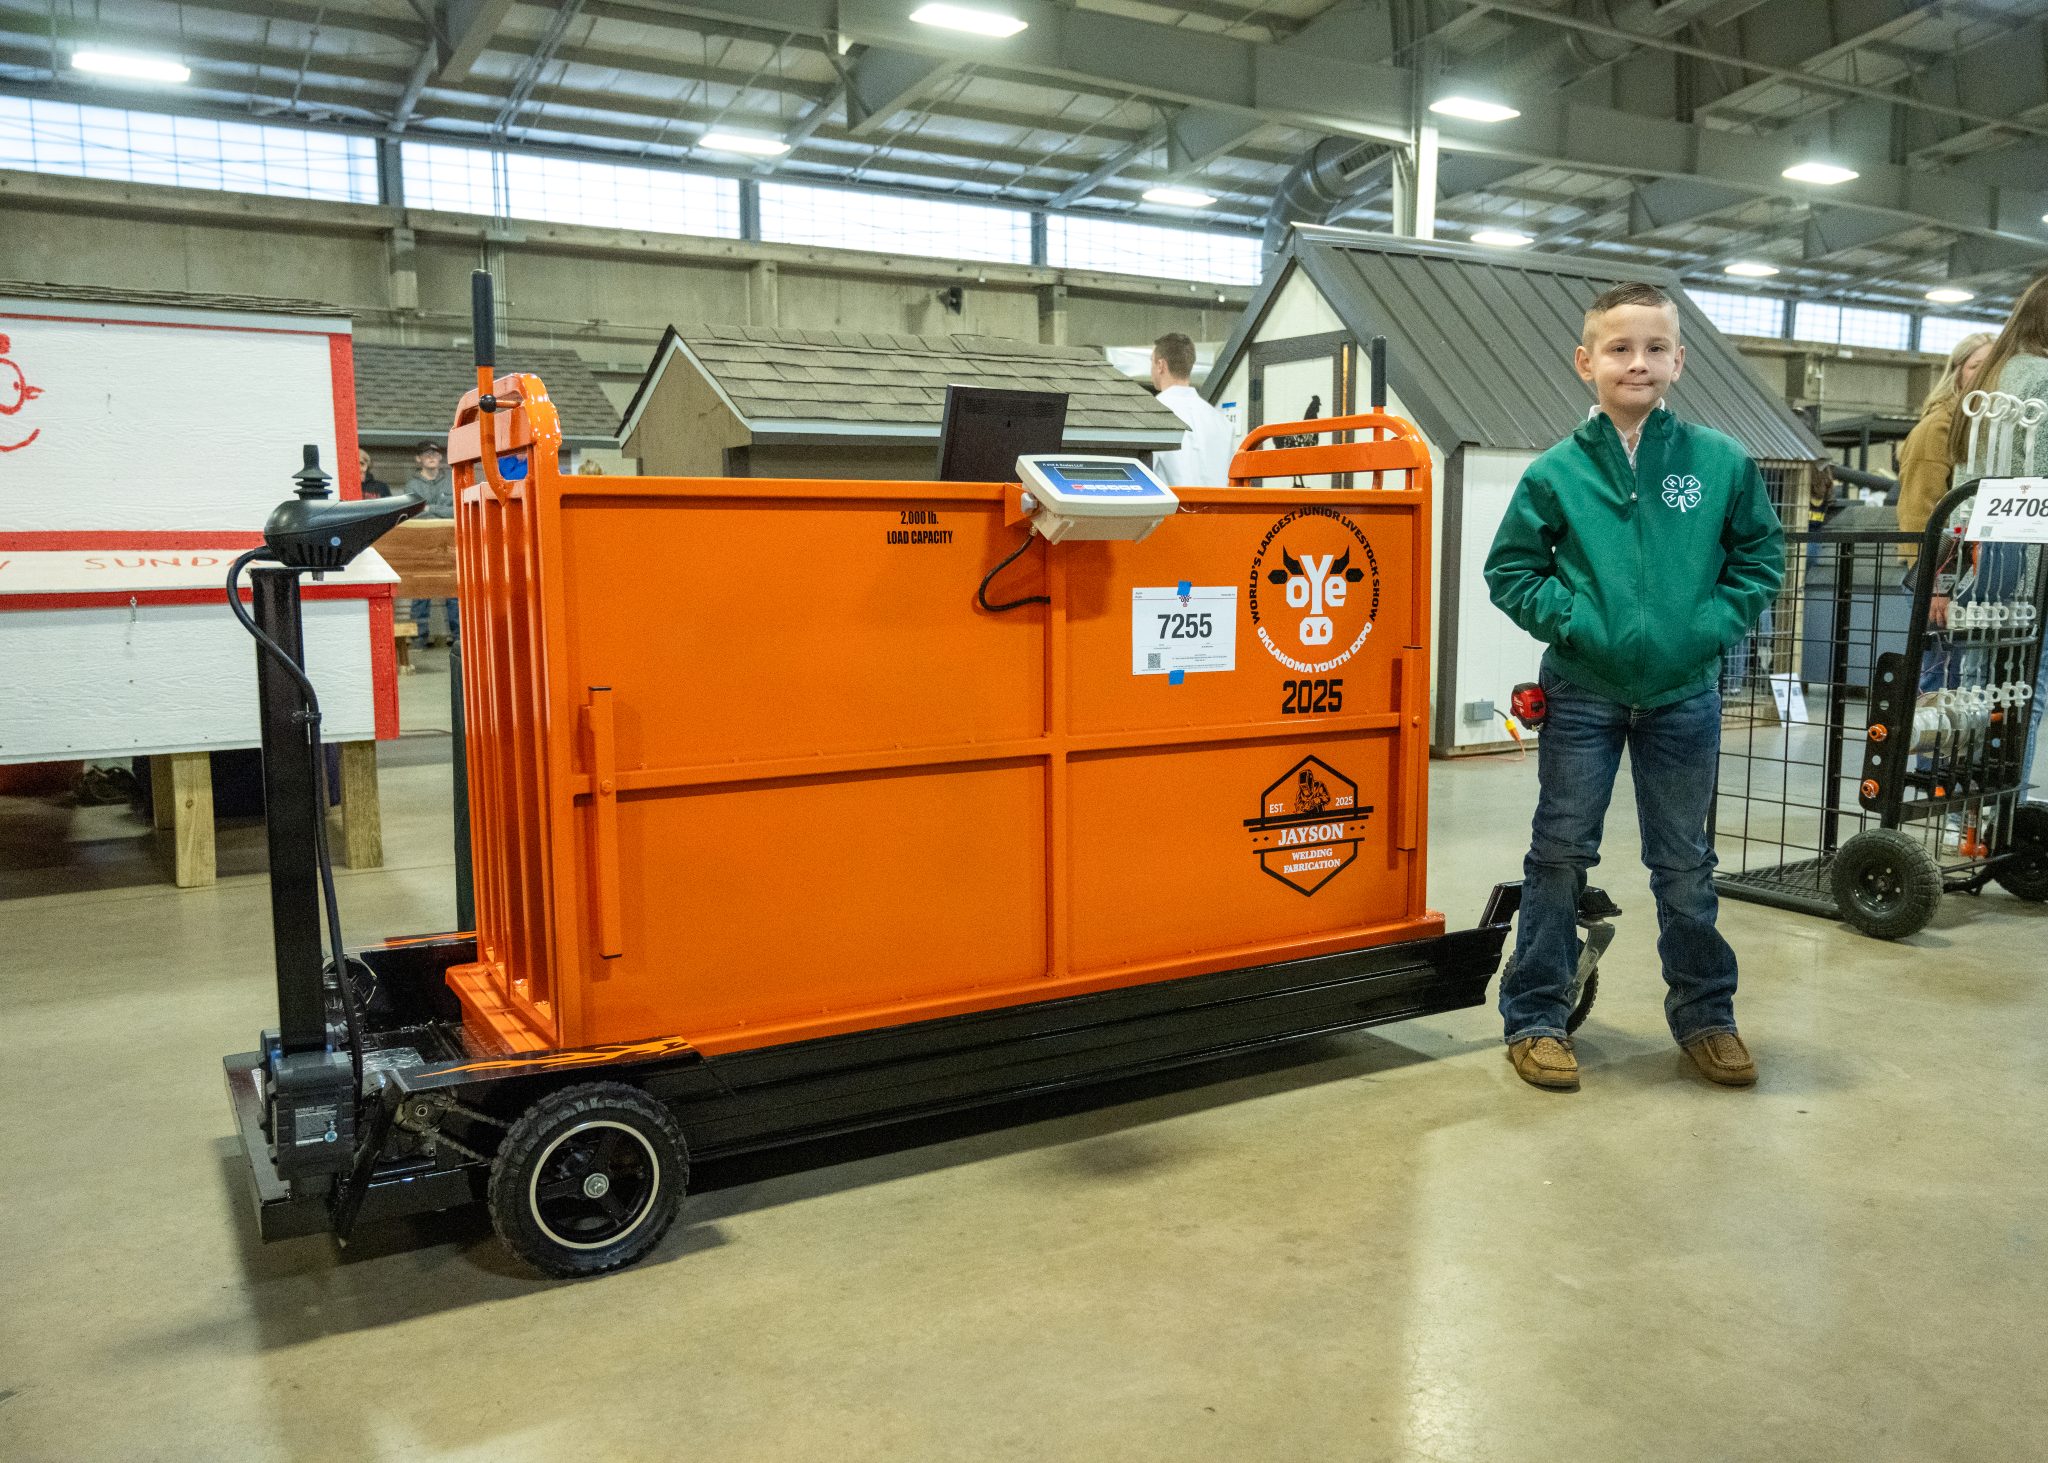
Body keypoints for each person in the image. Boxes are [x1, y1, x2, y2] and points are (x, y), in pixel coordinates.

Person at [1484, 281, 1785, 1092]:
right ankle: (1536, 1017)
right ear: (1586, 362)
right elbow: (1509, 571)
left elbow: (1760, 560)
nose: (1638, 362)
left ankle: (1706, 1017)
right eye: (1619, 348)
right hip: (1582, 690)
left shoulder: (1718, 463)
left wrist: (1705, 626)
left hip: (1684, 694)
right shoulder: (1554, 473)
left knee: (1684, 862)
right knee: (1559, 852)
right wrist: (1576, 619)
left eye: (1655, 348)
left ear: (1679, 361)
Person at [1947, 275, 2048, 784]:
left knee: (1979, 686)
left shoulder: (1992, 375)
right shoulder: (2043, 380)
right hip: (2031, 558)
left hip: (1983, 551)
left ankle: (1963, 802)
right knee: (2026, 687)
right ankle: (2000, 812)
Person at [1896, 332, 1993, 698]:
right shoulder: (1938, 428)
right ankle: (1930, 760)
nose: (1987, 375)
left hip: (1965, 579)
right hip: (1938, 579)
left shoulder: (1978, 426)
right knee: (1940, 684)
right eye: (1977, 366)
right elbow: (1922, 513)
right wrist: (1937, 585)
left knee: (1959, 687)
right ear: (1957, 373)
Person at [1149, 332, 1236, 487]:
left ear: (1161, 365)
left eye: (1152, 362)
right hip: (1217, 510)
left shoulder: (1151, 416)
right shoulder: (1222, 423)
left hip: (1172, 510)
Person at [404, 438, 459, 644]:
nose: (431, 458)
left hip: (450, 544)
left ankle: (458, 639)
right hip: (421, 545)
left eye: (435, 454)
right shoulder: (412, 485)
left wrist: (430, 509)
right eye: (427, 455)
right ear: (418, 459)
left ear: (440, 457)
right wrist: (440, 512)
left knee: (453, 593)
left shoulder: (450, 481)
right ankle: (419, 639)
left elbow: (457, 511)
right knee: (421, 591)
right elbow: (412, 513)